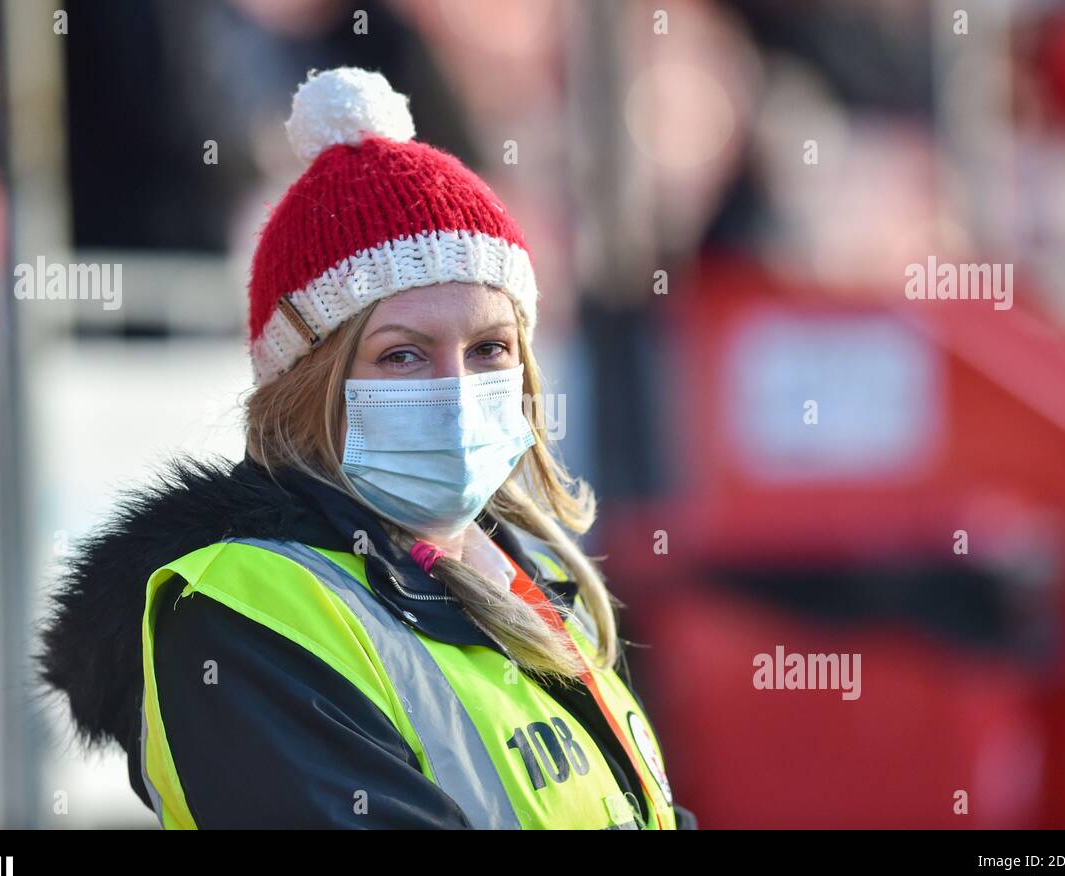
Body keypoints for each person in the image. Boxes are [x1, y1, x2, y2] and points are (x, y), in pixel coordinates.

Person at [37, 67, 696, 830]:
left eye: (489, 348)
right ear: (308, 383)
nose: (455, 390)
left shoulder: (526, 579)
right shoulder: (237, 611)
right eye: (403, 355)